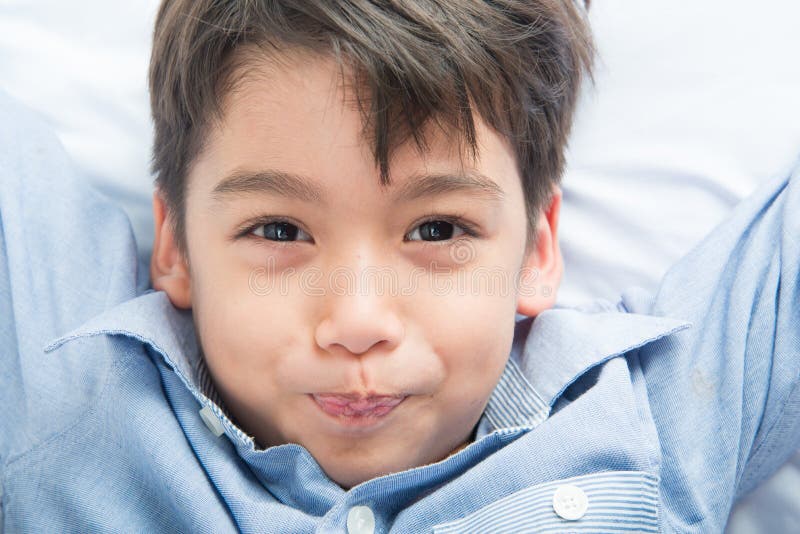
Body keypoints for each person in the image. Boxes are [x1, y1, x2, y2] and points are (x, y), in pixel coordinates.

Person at [1, 1, 798, 532]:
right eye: (278, 229)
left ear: (538, 248)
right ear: (172, 243)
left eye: (437, 227)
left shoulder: (650, 420)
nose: (356, 324)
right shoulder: (76, 394)